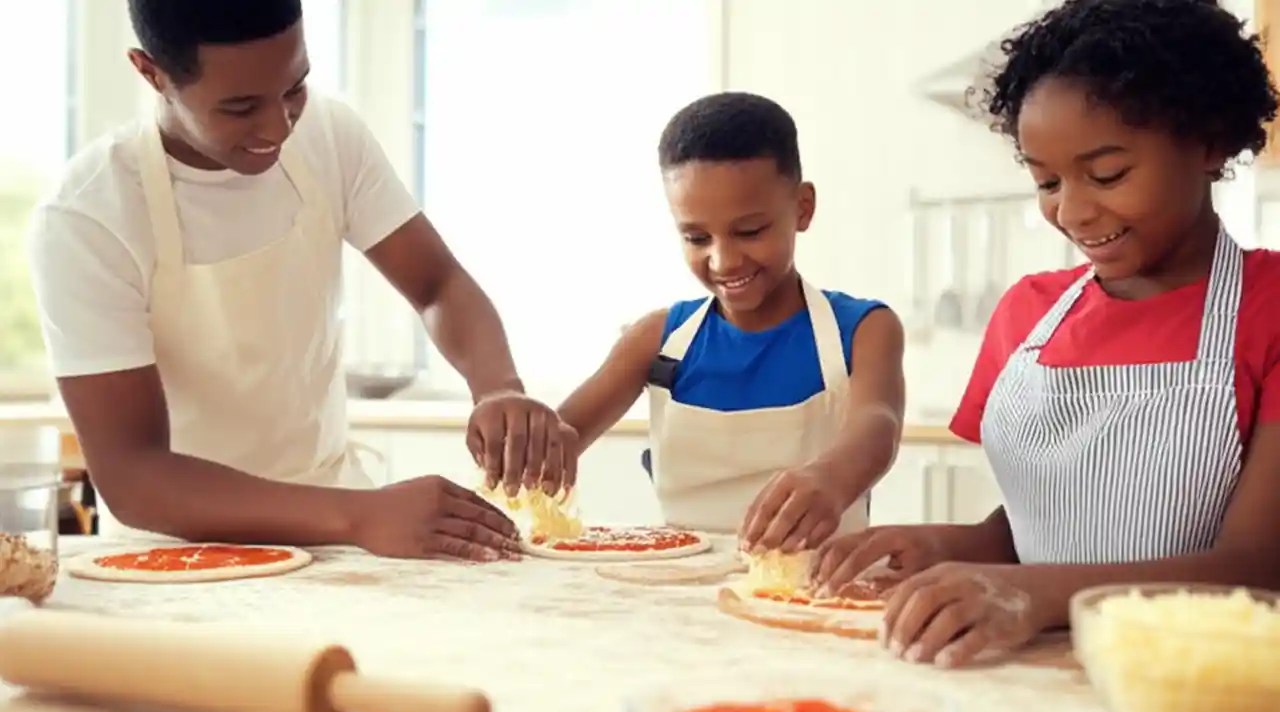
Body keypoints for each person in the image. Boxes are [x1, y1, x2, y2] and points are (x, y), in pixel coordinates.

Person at [812, 0, 1280, 668]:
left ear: (1208, 141)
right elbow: (1052, 526)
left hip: (1191, 681)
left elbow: (1258, 571)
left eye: (1108, 173)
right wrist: (949, 547)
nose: (1074, 210)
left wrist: (1032, 594)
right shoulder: (1027, 314)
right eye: (1046, 181)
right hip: (1022, 669)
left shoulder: (1270, 308)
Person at [25, 0, 570, 561]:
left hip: (341, 533)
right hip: (178, 556)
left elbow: (437, 284)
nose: (278, 126)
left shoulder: (329, 135)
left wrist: (498, 386)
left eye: (295, 88)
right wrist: (358, 514)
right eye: (240, 108)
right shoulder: (88, 216)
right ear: (151, 72)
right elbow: (135, 477)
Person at [556, 92, 906, 552]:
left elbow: (877, 426)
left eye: (749, 232)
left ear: (802, 208)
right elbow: (561, 436)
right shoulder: (658, 342)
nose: (723, 260)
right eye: (697, 237)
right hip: (679, 601)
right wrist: (527, 437)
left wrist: (832, 477)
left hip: (812, 596)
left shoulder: (863, 330)